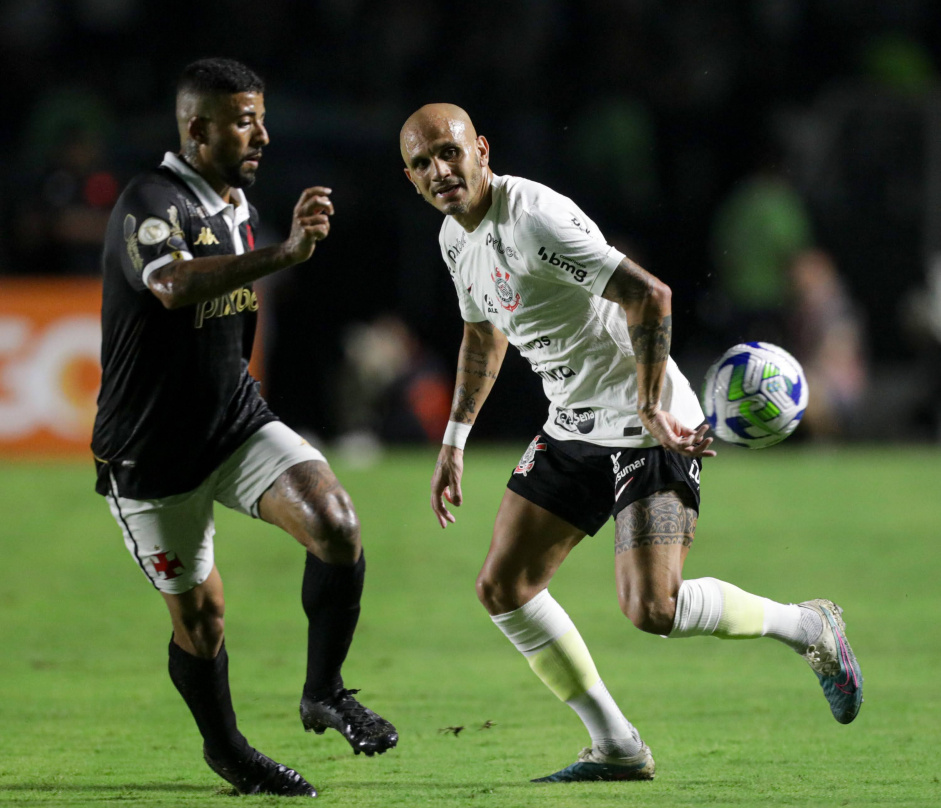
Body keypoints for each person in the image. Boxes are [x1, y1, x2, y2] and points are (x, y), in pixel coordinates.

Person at [399, 104, 863, 783]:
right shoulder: (453, 238)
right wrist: (455, 438)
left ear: (481, 150)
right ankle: (615, 745)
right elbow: (481, 333)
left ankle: (810, 628)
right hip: (572, 421)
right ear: (409, 178)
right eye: (421, 163)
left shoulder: (532, 217)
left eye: (448, 152)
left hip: (649, 421)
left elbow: (651, 295)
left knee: (652, 609)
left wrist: (647, 401)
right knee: (503, 586)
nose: (439, 171)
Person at [92, 58, 397, 798]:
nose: (259, 134)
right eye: (241, 121)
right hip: (149, 454)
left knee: (336, 522)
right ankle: (227, 749)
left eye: (260, 118)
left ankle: (324, 691)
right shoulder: (151, 199)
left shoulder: (232, 201)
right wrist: (285, 254)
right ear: (196, 129)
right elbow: (169, 286)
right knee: (202, 619)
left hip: (234, 423)